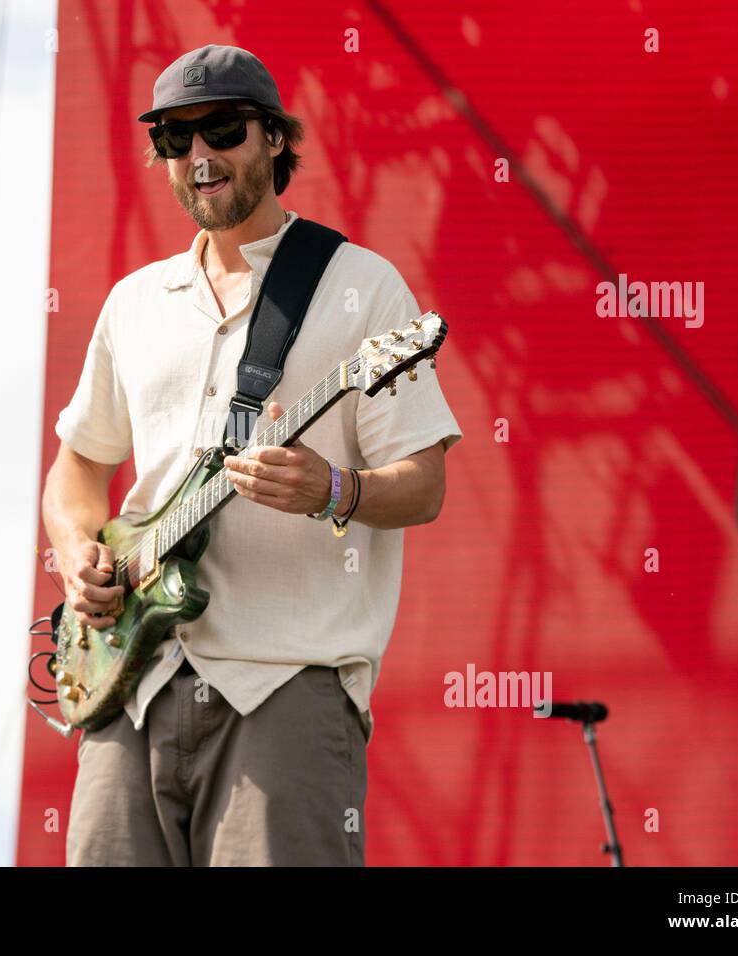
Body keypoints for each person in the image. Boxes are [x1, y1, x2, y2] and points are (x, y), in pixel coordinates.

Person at [42, 44, 462, 866]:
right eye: (174, 138)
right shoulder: (136, 301)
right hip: (130, 688)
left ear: (273, 137)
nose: (199, 155)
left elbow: (424, 484)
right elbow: (78, 468)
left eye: (222, 130)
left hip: (285, 687)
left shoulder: (360, 286)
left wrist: (333, 487)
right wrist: (76, 557)